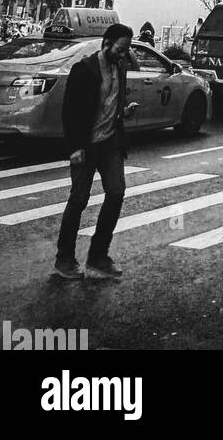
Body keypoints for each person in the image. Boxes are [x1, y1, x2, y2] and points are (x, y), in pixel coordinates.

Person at [53, 23, 138, 282]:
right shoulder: (84, 69)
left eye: (127, 49)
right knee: (78, 199)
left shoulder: (120, 67)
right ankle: (64, 259)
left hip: (111, 142)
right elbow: (70, 112)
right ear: (106, 44)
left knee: (116, 192)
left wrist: (123, 112)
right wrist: (74, 147)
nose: (124, 54)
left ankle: (98, 256)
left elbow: (112, 101)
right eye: (121, 48)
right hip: (86, 144)